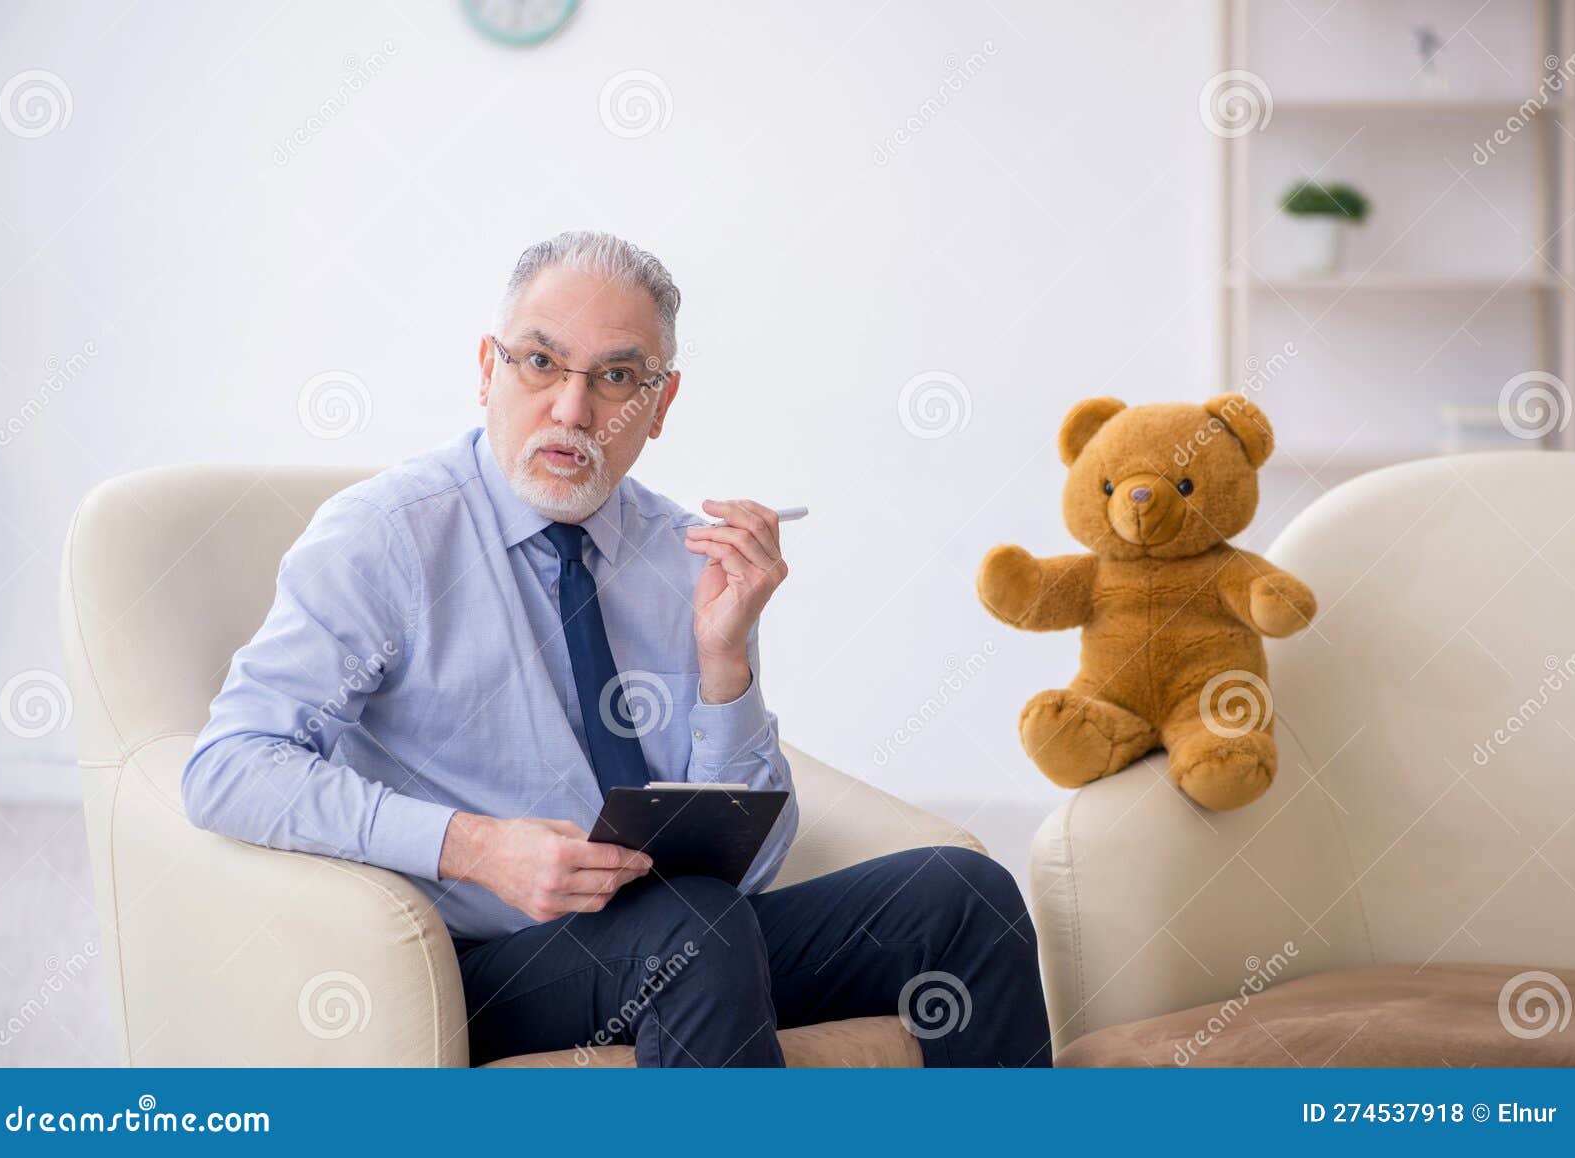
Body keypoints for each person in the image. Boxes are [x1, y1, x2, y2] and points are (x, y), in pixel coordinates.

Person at [183, 230, 1052, 1067]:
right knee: (696, 930)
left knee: (962, 898)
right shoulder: (387, 537)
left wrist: (726, 663)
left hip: (686, 936)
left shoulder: (683, 558)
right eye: (540, 361)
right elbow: (229, 764)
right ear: (487, 368)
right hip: (481, 969)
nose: (572, 410)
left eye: (616, 377)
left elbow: (752, 865)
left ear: (659, 405)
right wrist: (476, 847)